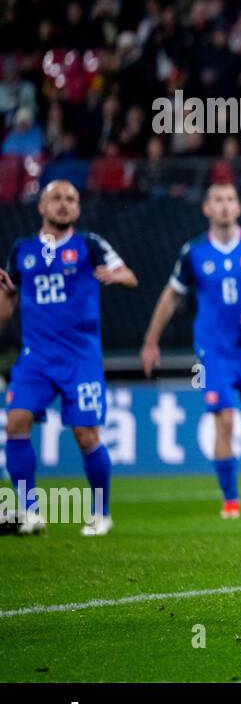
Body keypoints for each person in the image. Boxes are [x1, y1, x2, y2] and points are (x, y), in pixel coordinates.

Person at [140, 183, 241, 518]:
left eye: (230, 200)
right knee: (225, 418)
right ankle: (231, 500)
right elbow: (171, 295)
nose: (224, 206)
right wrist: (151, 340)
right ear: (206, 208)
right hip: (212, 351)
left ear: (239, 208)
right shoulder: (193, 252)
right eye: (218, 200)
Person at [0, 180, 137, 535]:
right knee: (15, 423)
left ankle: (100, 513)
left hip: (80, 359)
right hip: (36, 358)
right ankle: (29, 512)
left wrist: (116, 275)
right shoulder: (22, 251)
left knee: (86, 435)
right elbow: (6, 309)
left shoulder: (90, 245)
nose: (63, 204)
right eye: (56, 198)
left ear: (77, 208)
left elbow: (130, 277)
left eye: (70, 199)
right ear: (41, 207)